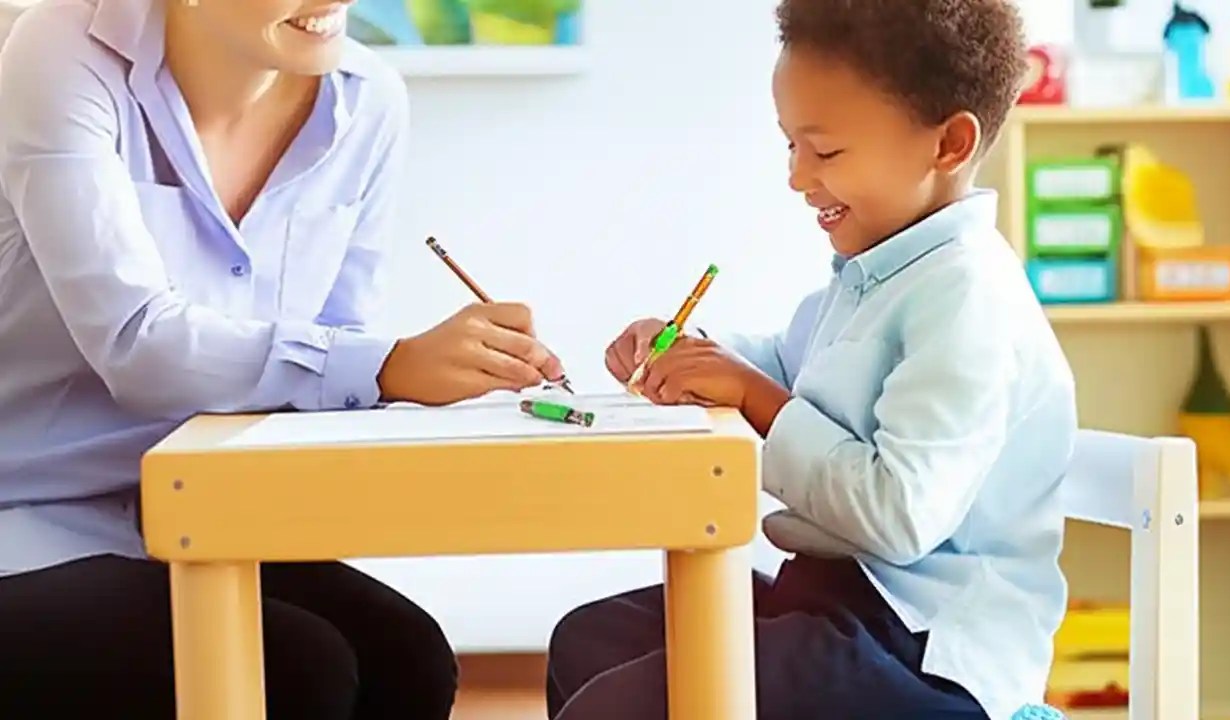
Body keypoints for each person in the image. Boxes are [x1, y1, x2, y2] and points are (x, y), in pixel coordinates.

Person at [0, 0, 565, 717]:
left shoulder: (367, 101)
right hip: (32, 519)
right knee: (299, 669)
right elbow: (136, 341)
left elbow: (334, 358)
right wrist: (391, 365)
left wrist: (423, 383)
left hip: (214, 517)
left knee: (408, 657)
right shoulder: (59, 52)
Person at [545, 0, 1077, 718]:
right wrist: (693, 356)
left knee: (620, 705)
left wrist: (754, 397)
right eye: (789, 146)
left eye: (824, 152)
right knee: (590, 639)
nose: (798, 178)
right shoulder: (879, 274)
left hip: (928, 652)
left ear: (947, 145)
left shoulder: (967, 295)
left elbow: (897, 512)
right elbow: (790, 370)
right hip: (837, 605)